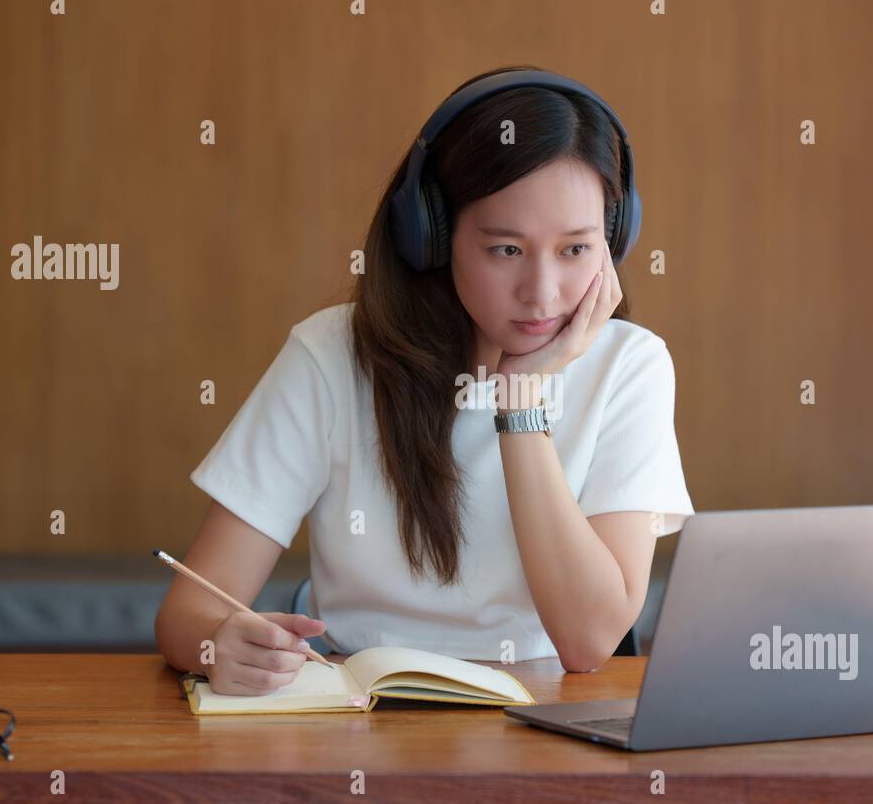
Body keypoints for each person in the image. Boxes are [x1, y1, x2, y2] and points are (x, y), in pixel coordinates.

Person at [155, 64, 694, 694]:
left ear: (613, 239)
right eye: (506, 250)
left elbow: (587, 641)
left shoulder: (630, 366)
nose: (542, 294)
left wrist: (520, 401)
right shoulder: (331, 356)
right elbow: (185, 617)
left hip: (547, 728)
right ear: (432, 237)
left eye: (575, 249)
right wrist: (218, 644)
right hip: (362, 721)